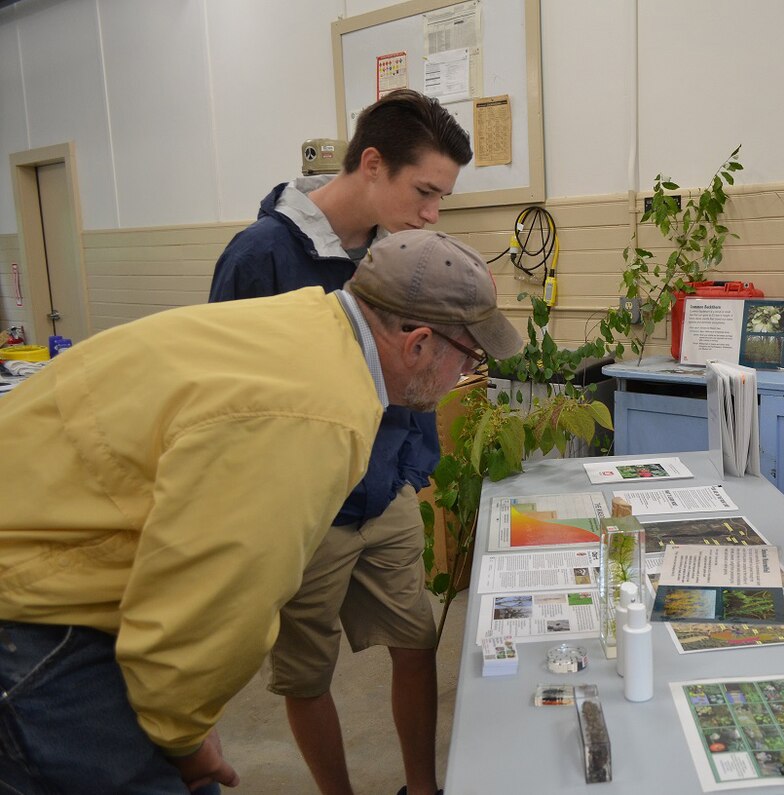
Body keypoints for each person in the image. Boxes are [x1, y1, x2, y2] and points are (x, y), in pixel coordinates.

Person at [0, 230, 522, 794]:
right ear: (418, 345)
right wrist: (185, 739)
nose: (462, 381)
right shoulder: (321, 414)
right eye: (468, 361)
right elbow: (210, 600)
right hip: (32, 611)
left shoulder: (305, 319)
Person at [208, 88, 471, 795]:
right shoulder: (261, 255)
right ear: (373, 163)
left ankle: (422, 787)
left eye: (442, 198)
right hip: (305, 511)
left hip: (382, 491)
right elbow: (225, 395)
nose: (431, 214)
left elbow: (418, 371)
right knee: (307, 670)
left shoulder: (403, 255)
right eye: (423, 191)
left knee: (416, 642)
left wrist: (415, 464)